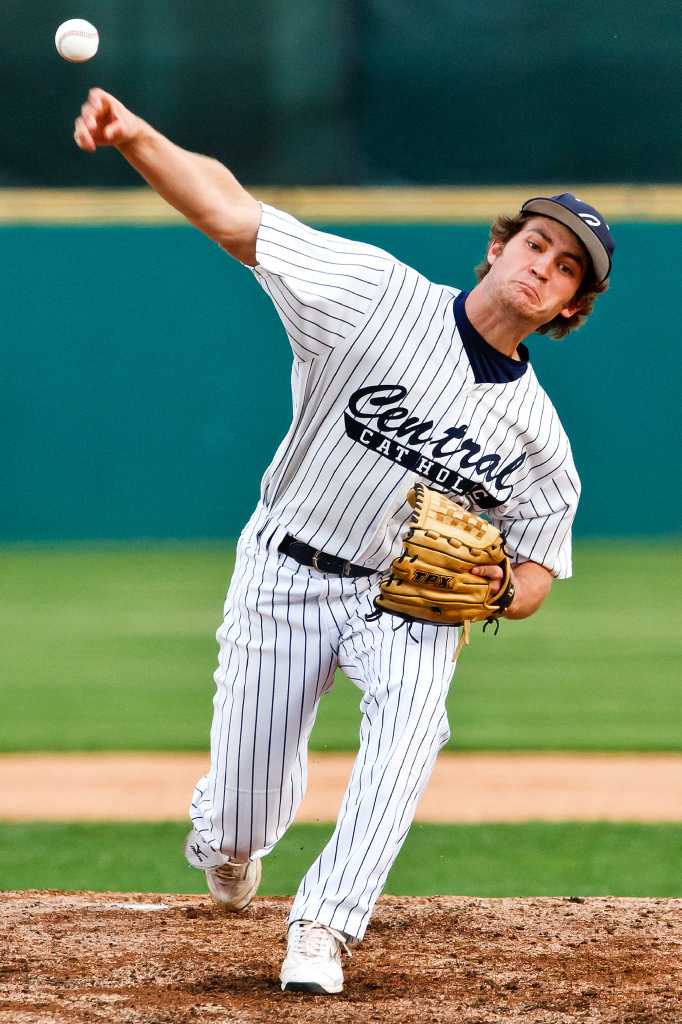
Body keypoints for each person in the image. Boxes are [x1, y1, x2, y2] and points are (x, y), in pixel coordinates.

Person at [74, 88, 614, 995]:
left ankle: (324, 925)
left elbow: (535, 573)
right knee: (242, 822)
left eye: (565, 269)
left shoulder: (541, 441)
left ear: (569, 308)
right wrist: (134, 138)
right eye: (535, 244)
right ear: (497, 245)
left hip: (400, 603)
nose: (543, 267)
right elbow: (232, 215)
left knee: (414, 727)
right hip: (284, 570)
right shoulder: (372, 294)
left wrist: (493, 591)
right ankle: (227, 839)